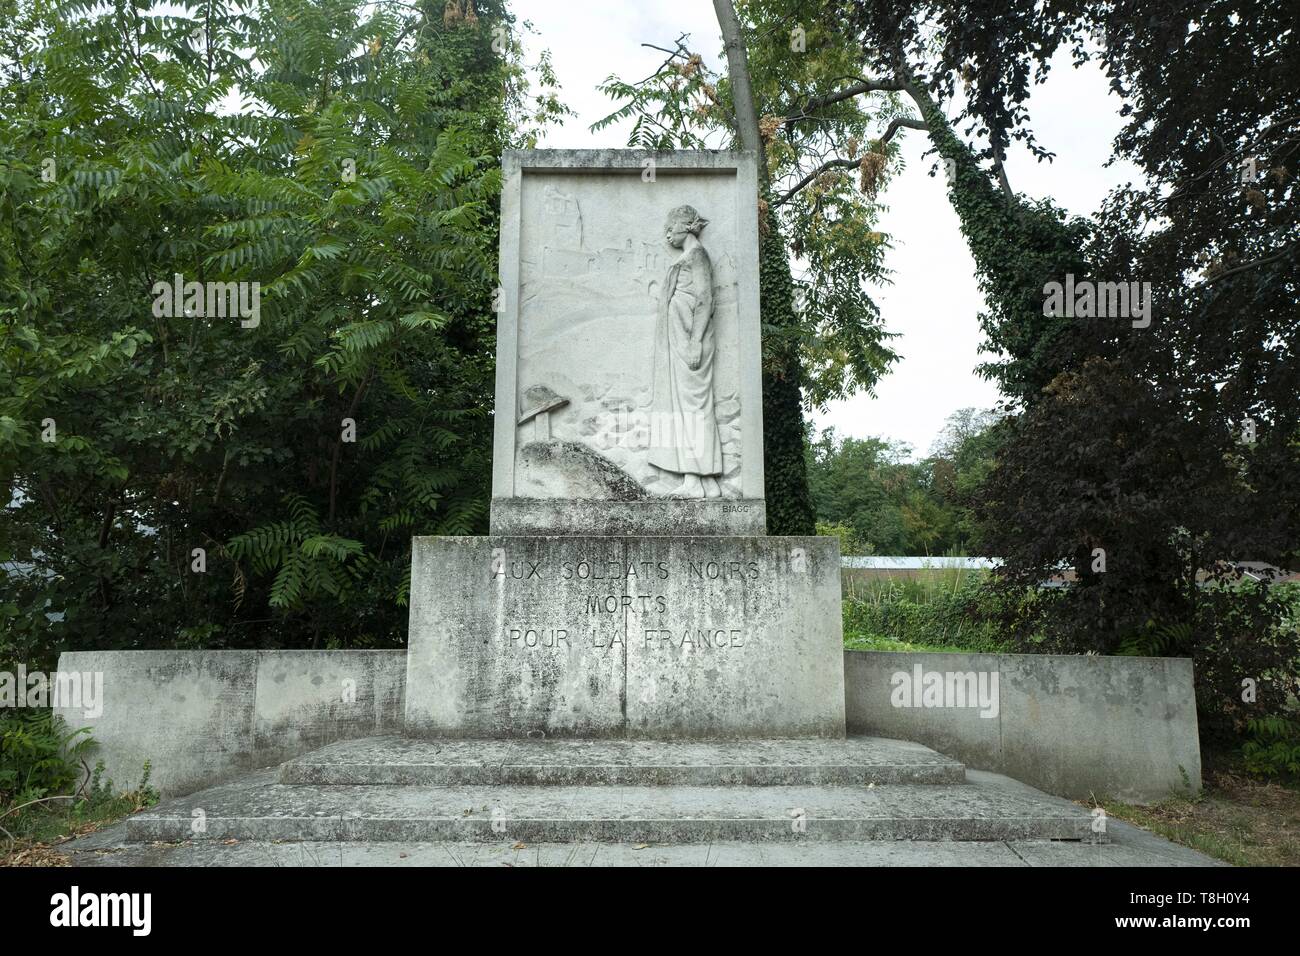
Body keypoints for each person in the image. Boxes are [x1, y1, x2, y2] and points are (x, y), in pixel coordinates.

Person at [648, 204, 723, 498]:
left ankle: (697, 478)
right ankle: (704, 482)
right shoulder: (687, 257)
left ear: (687, 226)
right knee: (684, 410)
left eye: (671, 226)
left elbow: (705, 300)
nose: (667, 232)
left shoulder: (698, 256)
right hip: (680, 340)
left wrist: (695, 341)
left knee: (694, 409)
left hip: (692, 342)